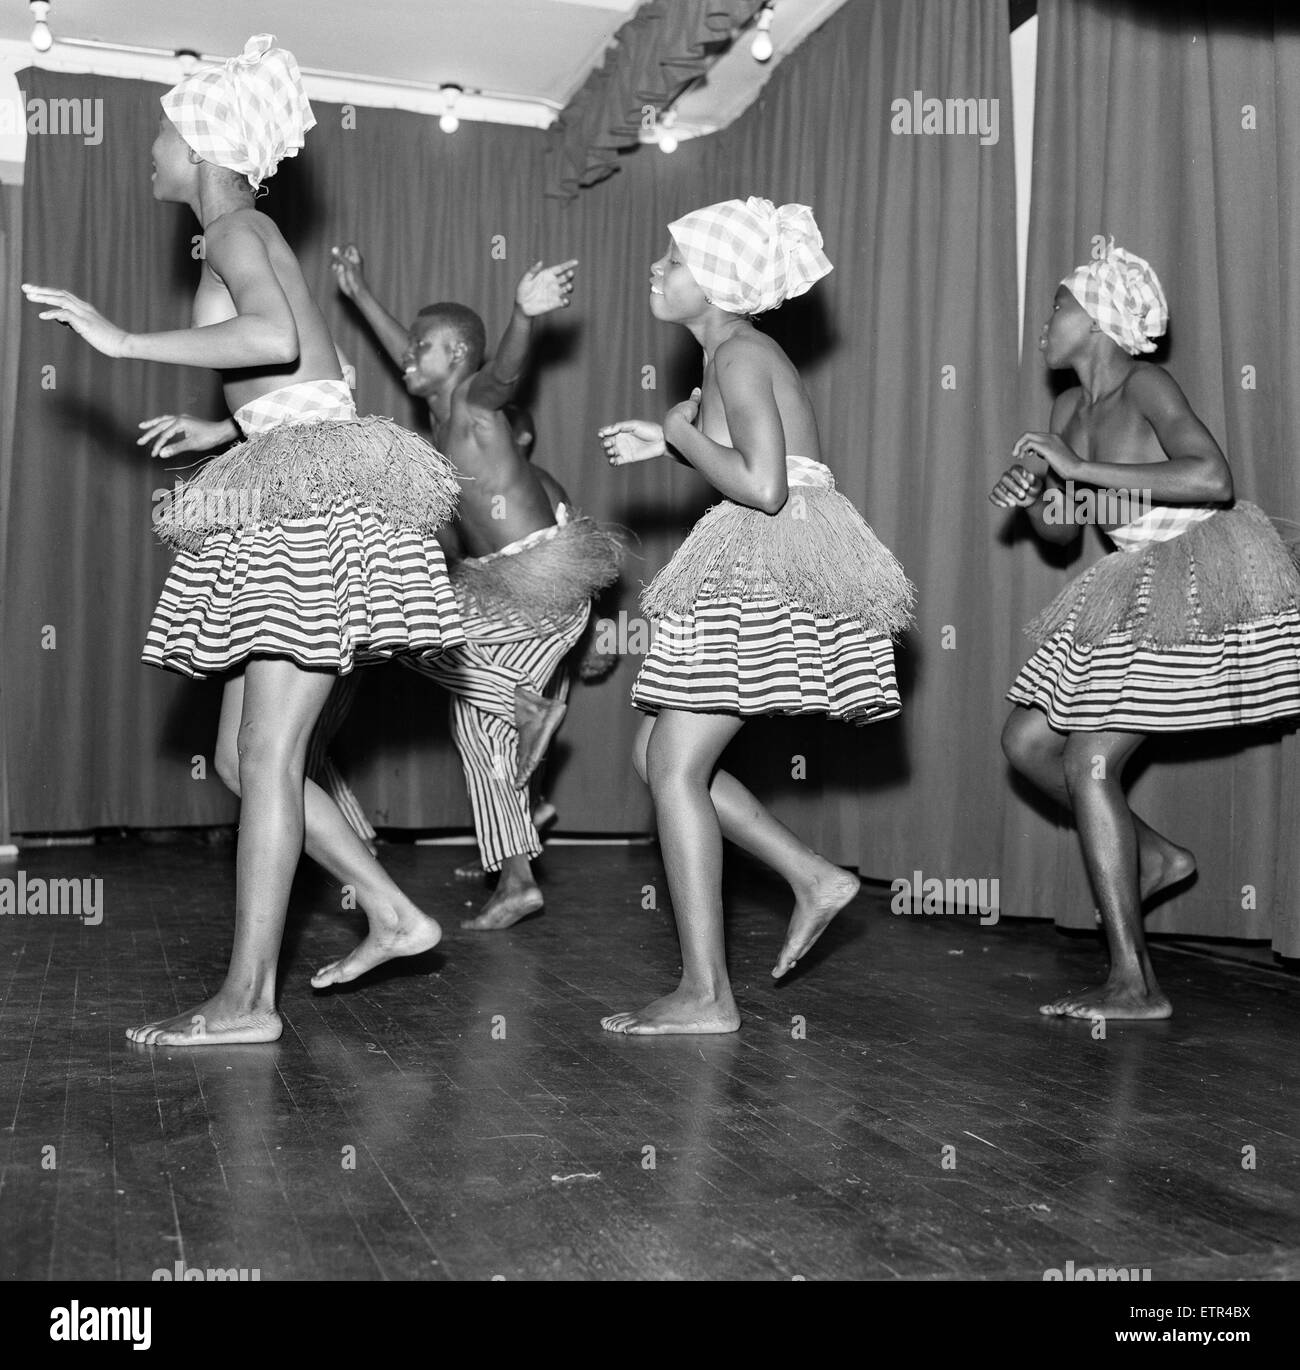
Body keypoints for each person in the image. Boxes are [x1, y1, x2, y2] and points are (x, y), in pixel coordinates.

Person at [24, 35, 464, 1046]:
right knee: (238, 754)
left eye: (165, 127)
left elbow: (268, 337)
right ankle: (392, 912)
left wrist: (124, 342)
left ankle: (247, 1000)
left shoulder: (236, 230)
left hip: (309, 503)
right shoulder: (247, 231)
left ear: (205, 141)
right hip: (296, 472)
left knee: (266, 749)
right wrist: (228, 425)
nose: (154, 143)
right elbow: (311, 368)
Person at [597, 197, 914, 1034]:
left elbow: (766, 487)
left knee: (672, 769)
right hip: (769, 548)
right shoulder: (731, 355)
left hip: (771, 553)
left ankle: (707, 994)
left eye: (672, 260)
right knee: (658, 752)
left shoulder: (738, 352)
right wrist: (669, 437)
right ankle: (811, 876)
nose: (656, 271)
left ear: (720, 279)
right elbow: (748, 456)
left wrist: (678, 430)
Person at [991, 241, 1300, 1020]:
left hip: (1198, 567)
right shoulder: (1066, 411)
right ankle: (1156, 855)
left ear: (1097, 319)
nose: (1046, 323)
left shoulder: (1146, 383)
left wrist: (1081, 469)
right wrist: (1035, 493)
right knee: (1029, 745)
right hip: (1130, 577)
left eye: (1059, 306)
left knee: (1091, 760)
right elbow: (1066, 534)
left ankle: (1134, 982)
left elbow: (1212, 478)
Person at [331, 244, 622, 929]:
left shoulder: (474, 404)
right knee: (470, 722)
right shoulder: (436, 415)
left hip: (540, 586)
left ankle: (526, 719)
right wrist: (359, 290)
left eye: (424, 347)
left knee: (417, 648)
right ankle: (517, 876)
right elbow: (409, 349)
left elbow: (503, 374)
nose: (409, 357)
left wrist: (524, 315)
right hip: (499, 589)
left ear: (458, 354)